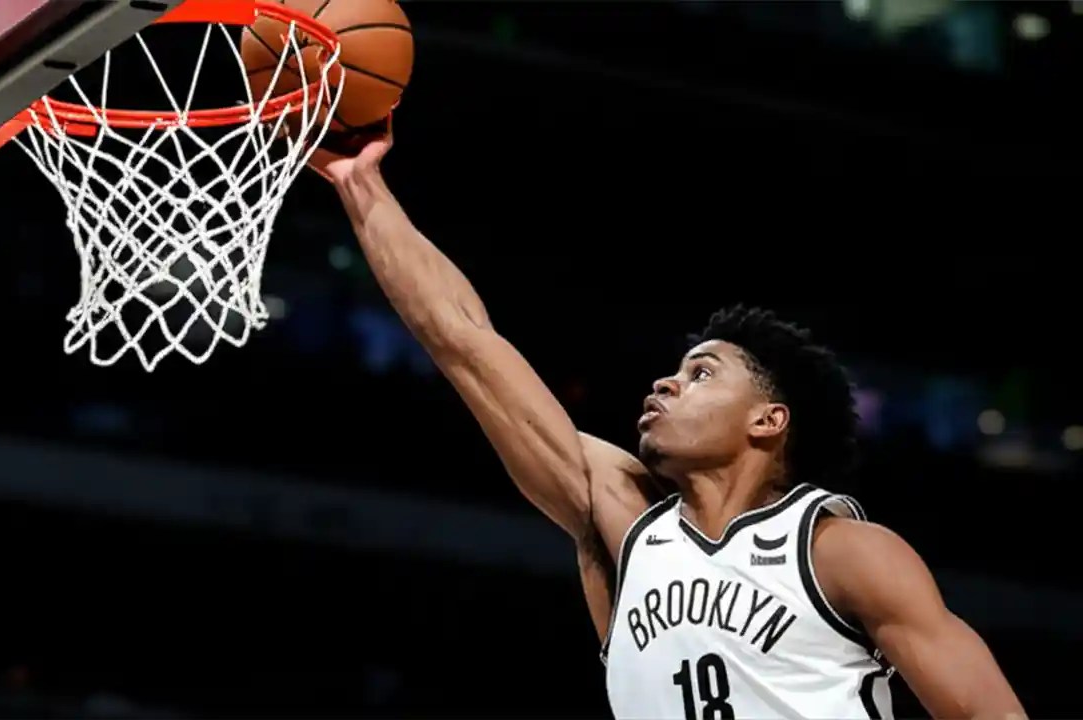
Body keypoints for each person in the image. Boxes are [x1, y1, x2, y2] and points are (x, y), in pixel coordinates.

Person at [305, 127, 1025, 720]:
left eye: (701, 373)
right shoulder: (622, 519)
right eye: (677, 371)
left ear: (769, 420)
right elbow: (464, 340)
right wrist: (360, 185)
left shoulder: (840, 551)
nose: (666, 382)